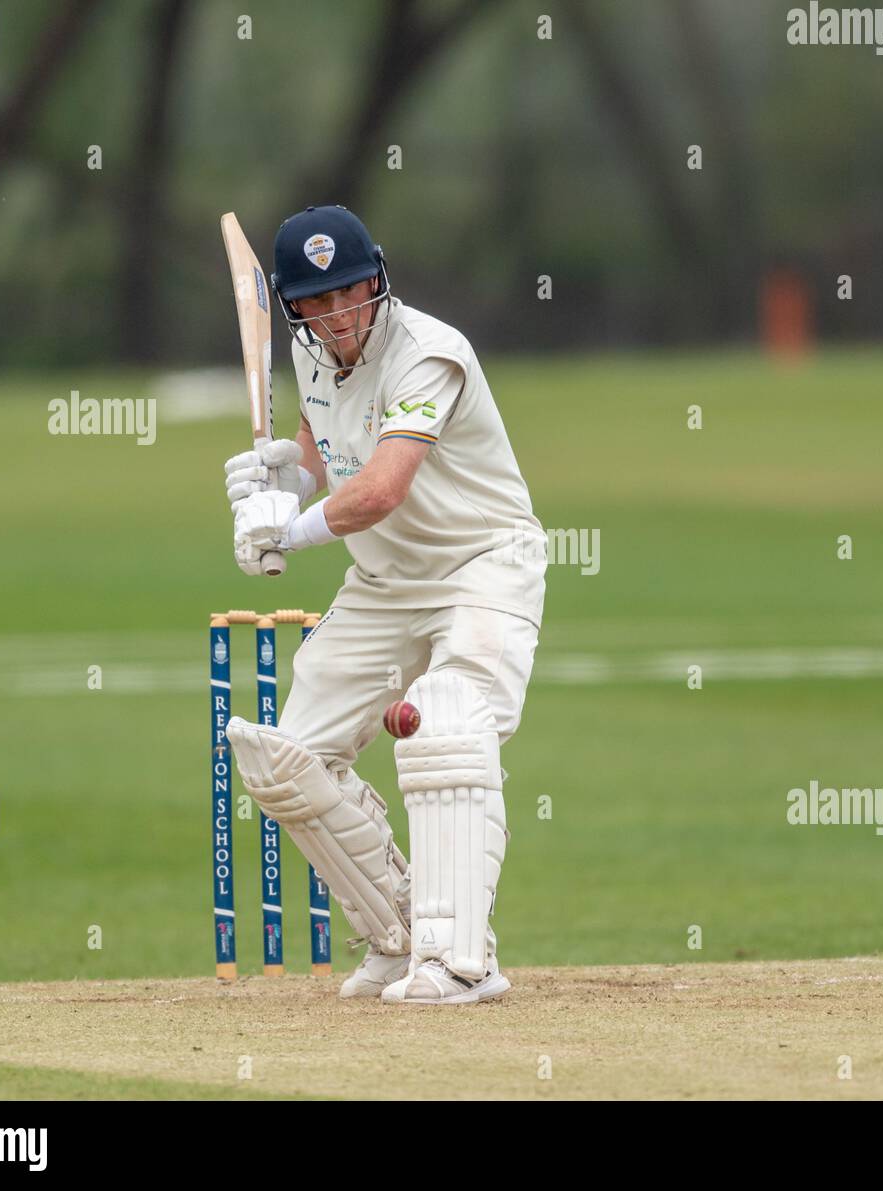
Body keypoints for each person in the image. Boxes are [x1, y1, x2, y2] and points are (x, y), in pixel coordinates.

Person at [223, 205, 546, 1005]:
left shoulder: (430, 353)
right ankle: (399, 931)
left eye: (350, 292)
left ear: (377, 279)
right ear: (294, 307)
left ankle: (461, 961)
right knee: (288, 759)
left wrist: (288, 535)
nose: (337, 315)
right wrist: (276, 483)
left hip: (481, 565)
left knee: (448, 723)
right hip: (385, 582)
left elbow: (382, 486)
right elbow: (322, 451)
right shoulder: (312, 354)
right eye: (317, 301)